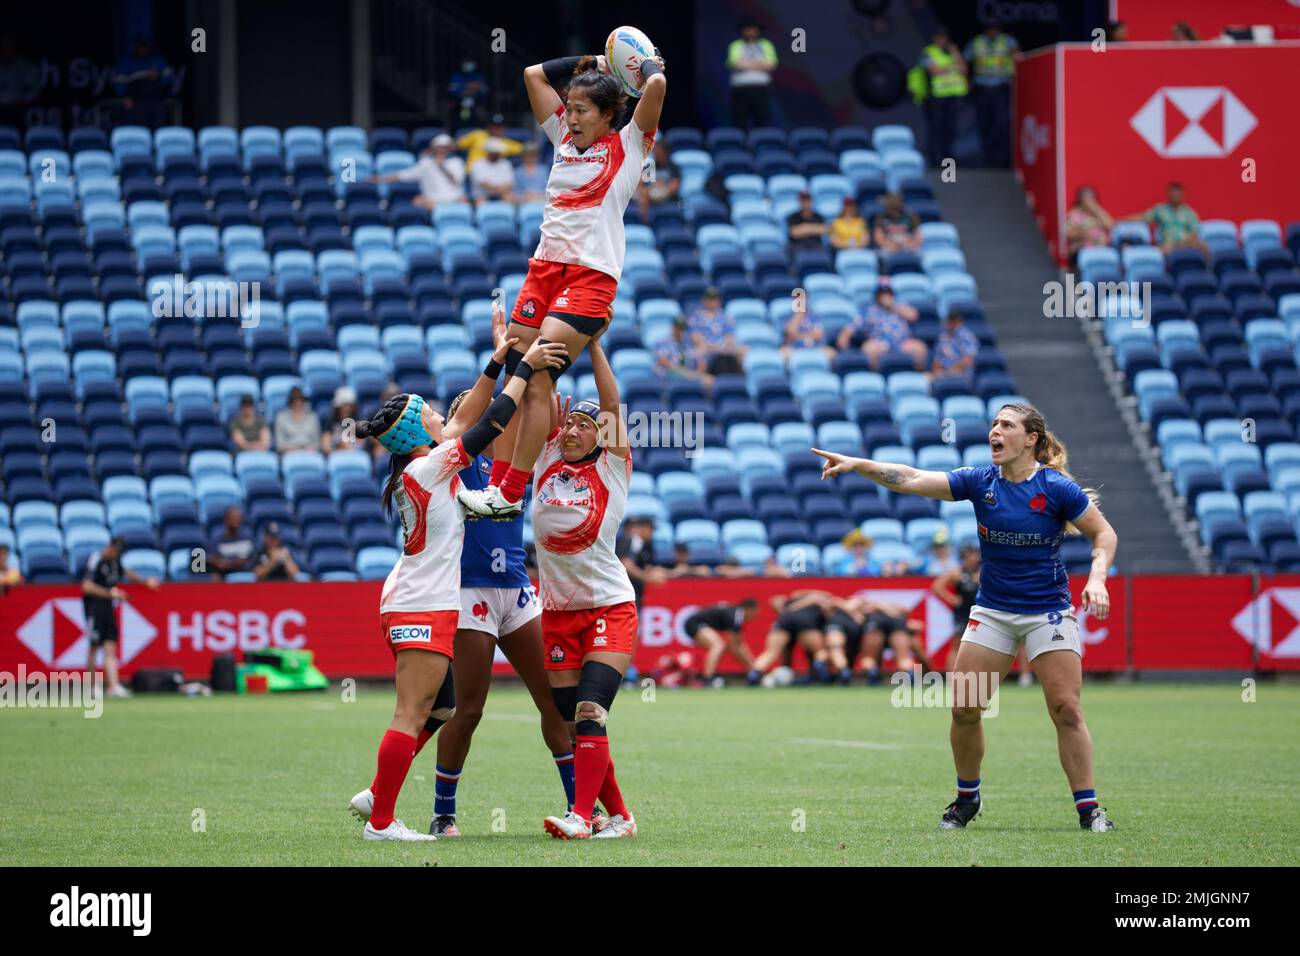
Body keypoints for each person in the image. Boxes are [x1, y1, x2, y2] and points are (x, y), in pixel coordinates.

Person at [812, 399, 1120, 832]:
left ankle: (1089, 809)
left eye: (1007, 425)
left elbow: (1104, 533)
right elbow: (913, 477)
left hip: (1047, 613)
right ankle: (966, 799)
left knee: (1066, 708)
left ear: (1031, 439)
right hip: (993, 611)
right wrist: (857, 463)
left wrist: (1098, 577)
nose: (995, 431)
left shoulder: (1056, 488)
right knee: (964, 708)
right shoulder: (980, 481)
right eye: (994, 423)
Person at [348, 338, 567, 841]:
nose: (438, 415)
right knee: (412, 713)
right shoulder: (432, 467)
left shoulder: (423, 469)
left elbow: (470, 421)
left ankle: (378, 798)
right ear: (416, 430)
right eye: (428, 412)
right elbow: (487, 422)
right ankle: (381, 821)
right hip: (421, 603)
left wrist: (500, 361)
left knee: (441, 708)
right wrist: (523, 367)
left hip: (427, 600)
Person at [456, 48, 666, 520]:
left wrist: (640, 61)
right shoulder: (561, 139)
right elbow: (533, 73)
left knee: (536, 378)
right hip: (543, 270)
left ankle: (509, 493)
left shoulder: (631, 146)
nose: (569, 118)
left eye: (580, 110)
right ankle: (499, 489)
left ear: (609, 114)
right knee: (517, 375)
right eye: (567, 108)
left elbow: (654, 88)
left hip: (590, 277)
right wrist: (597, 57)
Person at [531, 332, 641, 840]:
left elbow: (613, 405)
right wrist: (519, 354)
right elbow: (535, 398)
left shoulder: (612, 468)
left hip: (608, 607)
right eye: (570, 421)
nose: (574, 429)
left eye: (586, 424)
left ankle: (581, 817)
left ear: (603, 436)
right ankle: (619, 817)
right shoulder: (544, 461)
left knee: (591, 711)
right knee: (575, 725)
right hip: (556, 614)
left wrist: (593, 344)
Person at [82, 537, 160, 699]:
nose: (116, 555)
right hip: (94, 609)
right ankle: (92, 686)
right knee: (94, 647)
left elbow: (127, 573)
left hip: (108, 610)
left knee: (110, 647)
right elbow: (86, 587)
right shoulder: (97, 559)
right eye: (115, 551)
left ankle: (113, 685)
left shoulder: (115, 562)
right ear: (109, 547)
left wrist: (145, 582)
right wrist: (112, 594)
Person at [837, 282, 927, 372]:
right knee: (869, 348)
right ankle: (875, 378)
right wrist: (844, 342)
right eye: (883, 295)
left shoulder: (899, 308)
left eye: (888, 294)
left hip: (902, 344)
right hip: (879, 344)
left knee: (919, 348)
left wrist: (893, 306)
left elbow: (913, 316)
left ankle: (917, 377)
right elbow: (851, 327)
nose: (886, 297)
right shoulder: (869, 311)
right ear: (877, 296)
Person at [964, 23, 1018, 167]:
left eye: (994, 27)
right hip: (982, 89)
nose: (992, 30)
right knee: (984, 123)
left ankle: (1004, 159)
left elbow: (1018, 57)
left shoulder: (1007, 41)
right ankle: (989, 159)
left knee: (1002, 123)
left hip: (1001, 88)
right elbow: (964, 61)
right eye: (989, 27)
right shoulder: (977, 42)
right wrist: (967, 80)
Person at [371, 134, 466, 210]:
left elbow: (457, 181)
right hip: (433, 202)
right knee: (417, 201)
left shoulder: (457, 162)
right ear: (434, 148)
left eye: (446, 147)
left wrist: (442, 166)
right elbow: (404, 175)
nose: (443, 150)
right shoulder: (425, 163)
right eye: (441, 147)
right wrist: (382, 179)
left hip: (454, 200)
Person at [917, 29, 969, 167]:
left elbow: (964, 70)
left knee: (950, 128)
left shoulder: (953, 53)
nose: (942, 40)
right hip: (936, 97)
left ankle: (948, 161)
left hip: (953, 96)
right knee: (936, 129)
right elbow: (934, 70)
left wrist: (955, 53)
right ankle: (934, 161)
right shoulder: (929, 52)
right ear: (934, 38)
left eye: (944, 38)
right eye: (939, 37)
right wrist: (952, 66)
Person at [681, 599, 760, 688]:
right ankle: (708, 678)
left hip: (696, 623)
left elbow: (739, 645)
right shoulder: (736, 616)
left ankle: (710, 676)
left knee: (721, 646)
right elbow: (736, 647)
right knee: (718, 646)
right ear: (748, 609)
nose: (756, 616)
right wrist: (753, 667)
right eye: (755, 612)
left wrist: (752, 667)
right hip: (694, 623)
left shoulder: (735, 614)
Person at [932, 543, 982, 669]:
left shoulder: (981, 572)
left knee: (979, 646)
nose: (976, 557)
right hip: (962, 613)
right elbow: (937, 586)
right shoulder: (957, 572)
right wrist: (952, 599)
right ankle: (951, 678)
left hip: (978, 613)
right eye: (973, 555)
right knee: (957, 644)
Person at [726, 17, 778, 130]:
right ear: (742, 31)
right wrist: (759, 64)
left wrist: (746, 64)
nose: (751, 32)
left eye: (753, 29)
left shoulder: (766, 45)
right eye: (748, 29)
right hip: (741, 90)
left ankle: (763, 145)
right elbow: (735, 64)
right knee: (739, 121)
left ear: (758, 30)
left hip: (761, 89)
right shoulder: (736, 45)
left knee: (762, 120)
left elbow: (771, 65)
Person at [113, 35, 172, 129]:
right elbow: (118, 81)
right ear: (135, 46)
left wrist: (159, 76)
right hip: (136, 100)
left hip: (155, 99)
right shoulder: (128, 61)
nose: (143, 49)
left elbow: (169, 78)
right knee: (140, 128)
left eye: (145, 46)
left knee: (159, 126)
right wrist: (124, 97)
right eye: (140, 46)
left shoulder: (157, 59)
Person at [685, 286, 744, 375]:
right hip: (706, 346)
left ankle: (740, 378)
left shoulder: (725, 317)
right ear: (704, 300)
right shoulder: (696, 317)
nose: (712, 302)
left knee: (743, 350)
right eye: (709, 299)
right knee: (700, 351)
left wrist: (724, 347)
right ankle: (706, 380)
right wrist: (714, 348)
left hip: (723, 346)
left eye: (714, 299)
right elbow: (696, 338)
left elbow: (730, 337)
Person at [1141, 182, 1208, 256]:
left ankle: (1207, 267)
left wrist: (1185, 243)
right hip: (1168, 244)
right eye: (1173, 194)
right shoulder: (1161, 210)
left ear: (1182, 195)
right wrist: (1125, 219)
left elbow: (1194, 232)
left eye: (1177, 194)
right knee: (1158, 251)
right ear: (1169, 194)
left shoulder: (1189, 212)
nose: (1175, 196)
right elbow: (1144, 217)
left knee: (1204, 246)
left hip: (1186, 243)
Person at [617, 515, 668, 608]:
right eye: (650, 529)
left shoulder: (646, 545)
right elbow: (626, 564)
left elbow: (648, 567)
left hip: (633, 591)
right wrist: (646, 577)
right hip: (623, 591)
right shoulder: (635, 540)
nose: (652, 533)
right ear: (643, 528)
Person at [655, 315, 712, 387]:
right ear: (673, 328)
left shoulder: (689, 344)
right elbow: (663, 361)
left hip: (690, 374)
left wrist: (697, 373)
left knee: (709, 380)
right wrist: (684, 373)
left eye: (683, 329)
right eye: (678, 328)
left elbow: (701, 362)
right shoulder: (663, 342)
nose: (681, 331)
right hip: (670, 374)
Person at [1065, 186, 1114, 264]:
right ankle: (1069, 276)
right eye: (1086, 198)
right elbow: (1068, 234)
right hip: (1081, 248)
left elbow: (1109, 225)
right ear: (1080, 199)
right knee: (1070, 270)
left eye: (1091, 197)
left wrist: (1096, 210)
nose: (1089, 200)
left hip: (1101, 247)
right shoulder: (1074, 214)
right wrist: (1083, 234)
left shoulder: (1098, 211)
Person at [457, 113, 523, 170]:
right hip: (471, 174)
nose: (496, 129)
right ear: (489, 127)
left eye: (499, 127)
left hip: (492, 177)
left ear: (504, 128)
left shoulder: (507, 143)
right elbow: (458, 144)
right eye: (494, 126)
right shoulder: (478, 135)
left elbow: (524, 149)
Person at [636, 140, 681, 224]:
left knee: (651, 194)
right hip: (650, 192)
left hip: (665, 193)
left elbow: (674, 187)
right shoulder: (650, 165)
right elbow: (641, 184)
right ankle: (645, 222)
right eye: (655, 151)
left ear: (665, 152)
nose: (656, 154)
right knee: (642, 195)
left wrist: (661, 186)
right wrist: (653, 187)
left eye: (658, 151)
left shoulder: (673, 167)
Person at [931, 307, 979, 384]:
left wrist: (948, 373)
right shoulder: (943, 336)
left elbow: (968, 360)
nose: (952, 323)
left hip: (961, 374)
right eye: (950, 320)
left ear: (960, 321)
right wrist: (937, 373)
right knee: (926, 378)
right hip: (943, 373)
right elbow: (936, 360)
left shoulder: (967, 336)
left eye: (955, 320)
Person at [208, 505, 255, 579]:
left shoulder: (247, 538)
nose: (236, 521)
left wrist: (229, 563)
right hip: (225, 575)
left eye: (238, 518)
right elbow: (212, 558)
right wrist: (219, 562)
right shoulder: (218, 540)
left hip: (246, 575)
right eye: (233, 518)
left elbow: (249, 557)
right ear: (226, 519)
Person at [274, 385, 322, 452]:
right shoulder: (281, 417)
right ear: (290, 401)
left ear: (303, 400)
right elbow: (280, 445)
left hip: (310, 453)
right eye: (294, 400)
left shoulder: (312, 417)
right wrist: (296, 450)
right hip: (289, 454)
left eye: (299, 399)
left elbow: (317, 443)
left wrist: (308, 450)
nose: (297, 403)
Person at [469, 137, 517, 204]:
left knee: (511, 198)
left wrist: (499, 191)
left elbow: (510, 184)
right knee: (480, 200)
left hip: (502, 194)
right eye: (493, 152)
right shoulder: (478, 164)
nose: (496, 154)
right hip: (483, 195)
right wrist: (496, 190)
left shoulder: (506, 164)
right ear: (488, 152)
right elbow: (482, 184)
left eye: (497, 152)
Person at [448, 60, 489, 127]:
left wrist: (469, 88)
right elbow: (452, 89)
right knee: (454, 116)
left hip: (476, 101)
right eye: (466, 62)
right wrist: (468, 87)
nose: (468, 65)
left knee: (481, 115)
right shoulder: (456, 75)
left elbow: (483, 89)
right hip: (459, 101)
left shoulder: (478, 75)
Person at [787, 190, 828, 255]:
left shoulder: (818, 216)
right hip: (798, 246)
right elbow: (794, 233)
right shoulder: (793, 217)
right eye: (803, 201)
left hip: (816, 246)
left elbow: (824, 229)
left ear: (811, 201)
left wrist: (805, 228)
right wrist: (814, 229)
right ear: (800, 202)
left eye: (808, 200)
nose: (806, 203)